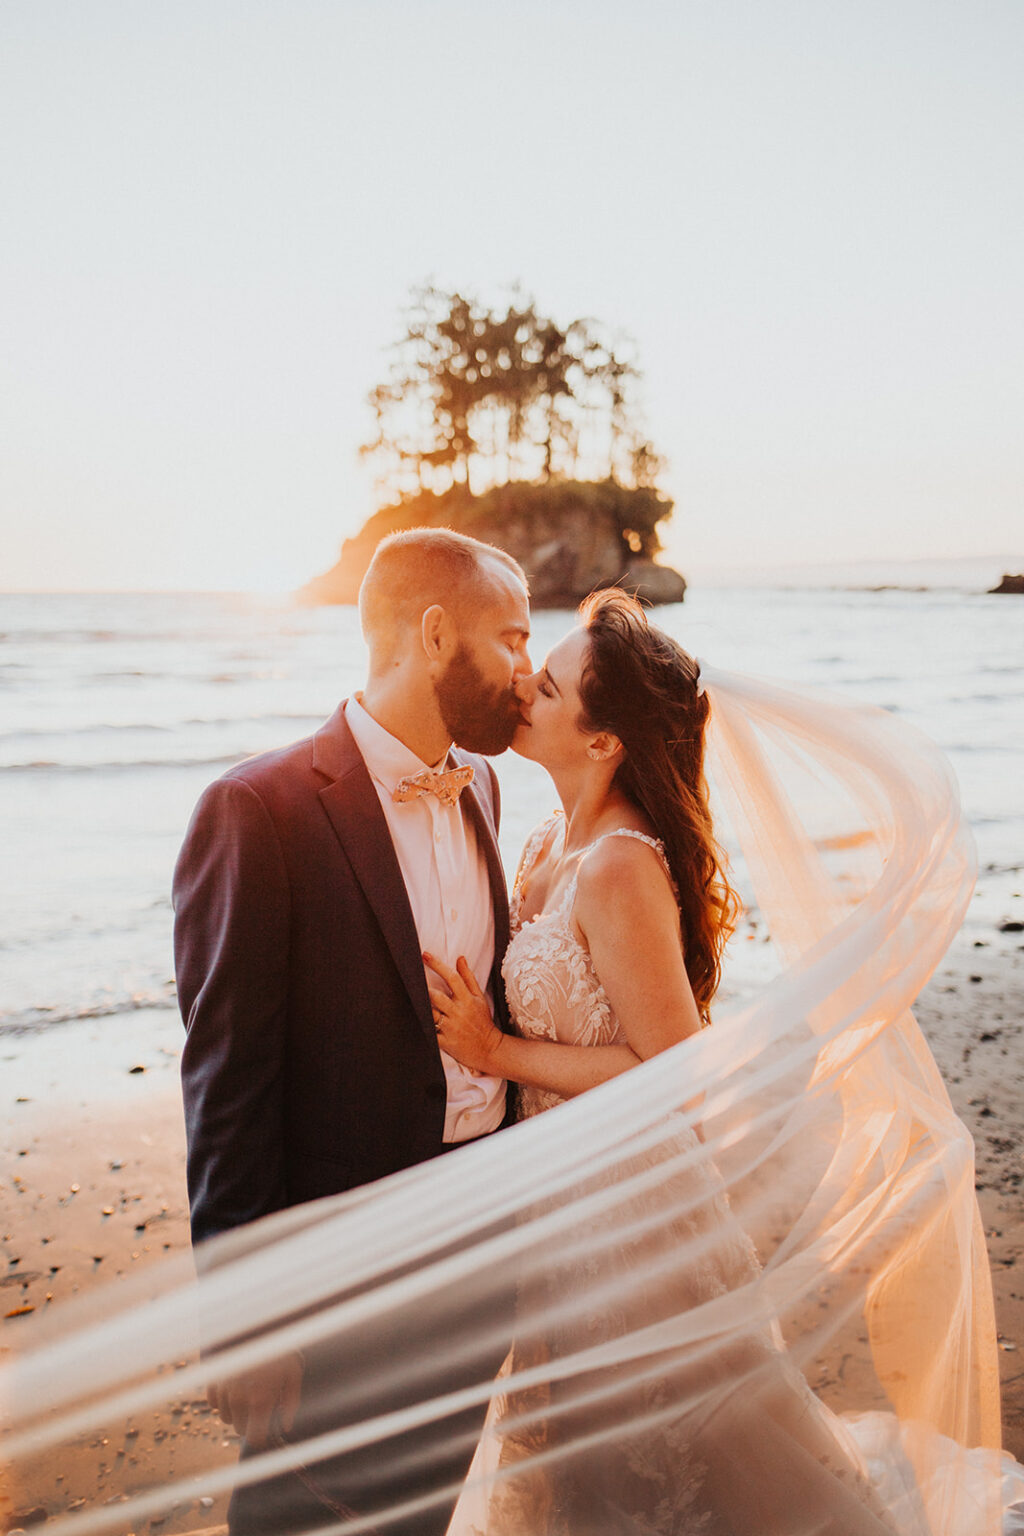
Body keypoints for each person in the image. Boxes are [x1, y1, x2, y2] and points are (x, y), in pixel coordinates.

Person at [424, 589, 947, 1535]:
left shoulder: (620, 865)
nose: (520, 692)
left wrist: (497, 1049)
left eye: (546, 686)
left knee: (670, 1452)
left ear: (601, 742)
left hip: (627, 1219)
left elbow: (679, 1073)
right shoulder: (547, 839)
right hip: (552, 1203)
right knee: (575, 1458)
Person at [172, 526, 531, 1535]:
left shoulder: (489, 788)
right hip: (338, 1278)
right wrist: (246, 1315)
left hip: (476, 1257)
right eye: (510, 638)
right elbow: (227, 1084)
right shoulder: (258, 809)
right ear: (431, 634)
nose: (526, 669)